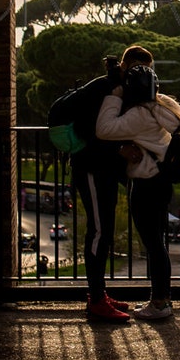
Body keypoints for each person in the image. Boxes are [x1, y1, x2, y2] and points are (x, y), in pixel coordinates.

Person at [95, 44, 180, 324]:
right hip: (162, 181)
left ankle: (160, 302)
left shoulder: (140, 114)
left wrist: (115, 94)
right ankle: (160, 299)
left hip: (146, 182)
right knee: (157, 242)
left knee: (153, 243)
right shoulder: (165, 104)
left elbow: (104, 129)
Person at [68, 54, 133, 324]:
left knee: (103, 232)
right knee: (98, 232)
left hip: (103, 170)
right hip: (92, 169)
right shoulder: (102, 89)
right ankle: (96, 301)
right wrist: (119, 149)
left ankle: (100, 295)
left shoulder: (115, 88)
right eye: (140, 68)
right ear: (127, 66)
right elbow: (90, 132)